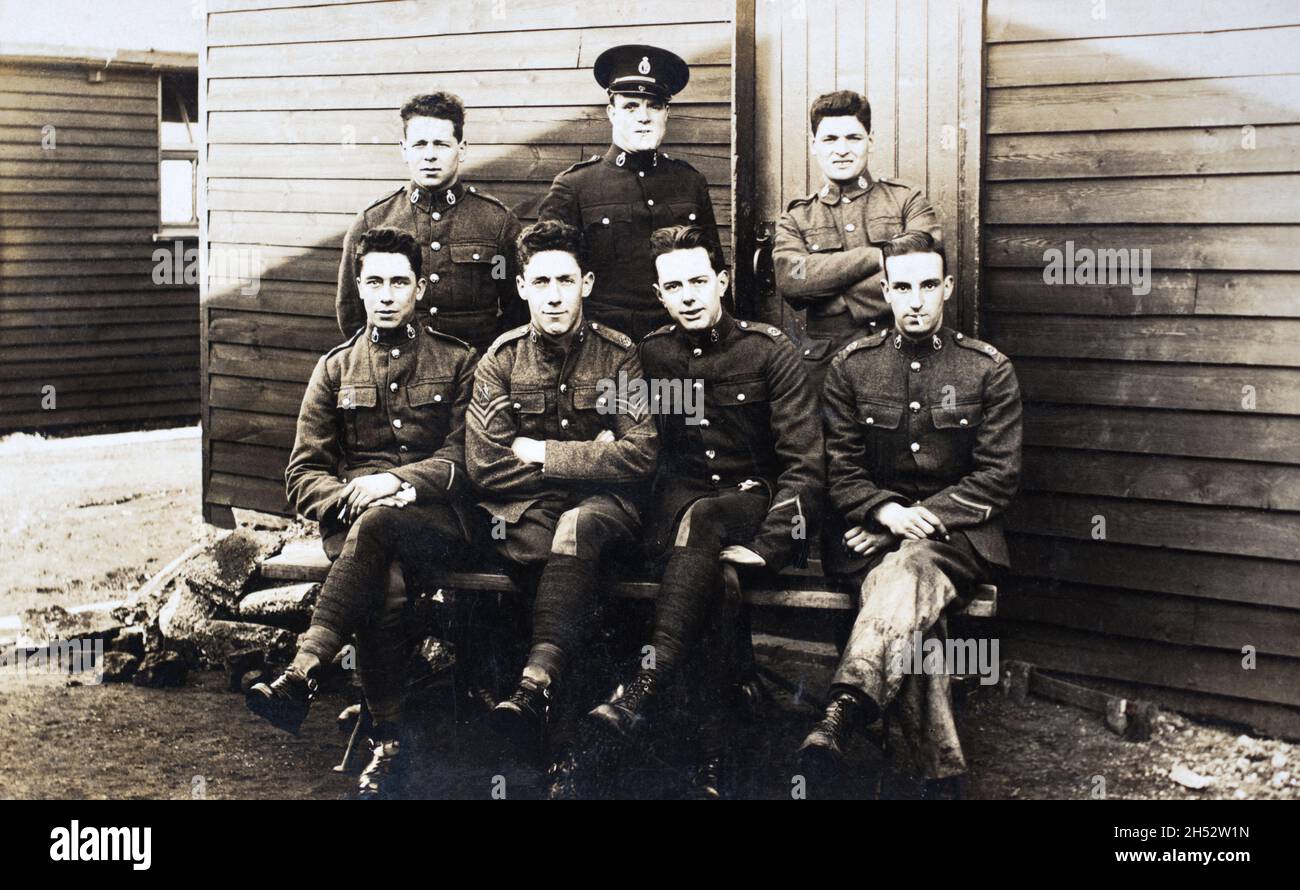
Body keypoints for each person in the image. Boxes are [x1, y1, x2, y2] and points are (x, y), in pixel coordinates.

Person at [586, 224, 823, 799]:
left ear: (721, 281)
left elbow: (804, 462)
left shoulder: (769, 350)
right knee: (716, 574)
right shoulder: (649, 357)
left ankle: (645, 686)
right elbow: (627, 441)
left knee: (712, 517)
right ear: (661, 295)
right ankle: (713, 754)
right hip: (672, 516)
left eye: (699, 280)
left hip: (747, 506)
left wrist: (770, 544)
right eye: (675, 285)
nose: (689, 294)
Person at [248, 227, 480, 799]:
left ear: (419, 289)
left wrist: (395, 483)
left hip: (435, 521)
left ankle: (305, 673)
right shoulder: (334, 369)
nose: (386, 293)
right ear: (358, 285)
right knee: (385, 579)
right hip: (356, 528)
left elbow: (465, 459)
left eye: (399, 281)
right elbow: (302, 474)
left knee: (381, 531)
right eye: (374, 281)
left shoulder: (457, 362)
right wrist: (348, 496)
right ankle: (391, 744)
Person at [799, 231, 1022, 799]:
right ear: (887, 291)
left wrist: (906, 521)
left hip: (957, 541)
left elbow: (997, 478)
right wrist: (884, 515)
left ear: (946, 288)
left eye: (928, 286)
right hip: (865, 539)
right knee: (918, 617)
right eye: (903, 287)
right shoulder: (852, 368)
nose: (916, 301)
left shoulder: (987, 369)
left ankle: (844, 707)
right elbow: (839, 469)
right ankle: (938, 779)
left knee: (909, 569)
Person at [468, 220, 658, 788]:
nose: (554, 294)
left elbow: (642, 453)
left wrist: (543, 453)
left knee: (576, 531)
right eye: (541, 280)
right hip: (532, 519)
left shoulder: (619, 355)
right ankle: (559, 751)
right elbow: (484, 463)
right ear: (522, 287)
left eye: (566, 280)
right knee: (546, 557)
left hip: (608, 512)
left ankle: (535, 699)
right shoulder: (500, 360)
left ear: (587, 283)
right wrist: (591, 453)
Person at [537, 44, 722, 342]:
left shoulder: (689, 182)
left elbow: (715, 268)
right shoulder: (575, 186)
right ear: (611, 113)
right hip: (606, 346)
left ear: (667, 113)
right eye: (631, 106)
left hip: (683, 342)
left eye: (654, 105)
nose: (644, 117)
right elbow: (549, 277)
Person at [774, 90, 942, 396]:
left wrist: (834, 299)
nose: (842, 150)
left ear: (871, 140)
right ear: (814, 145)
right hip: (825, 369)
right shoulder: (797, 217)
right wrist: (879, 257)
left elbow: (924, 267)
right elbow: (792, 280)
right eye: (830, 139)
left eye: (853, 137)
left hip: (904, 358)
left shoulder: (907, 200)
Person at [336, 92, 523, 353]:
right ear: (404, 150)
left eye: (441, 144)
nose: (430, 155)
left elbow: (519, 308)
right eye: (420, 144)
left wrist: (488, 364)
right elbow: (352, 311)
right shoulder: (373, 221)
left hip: (473, 373)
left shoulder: (495, 223)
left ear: (462, 149)